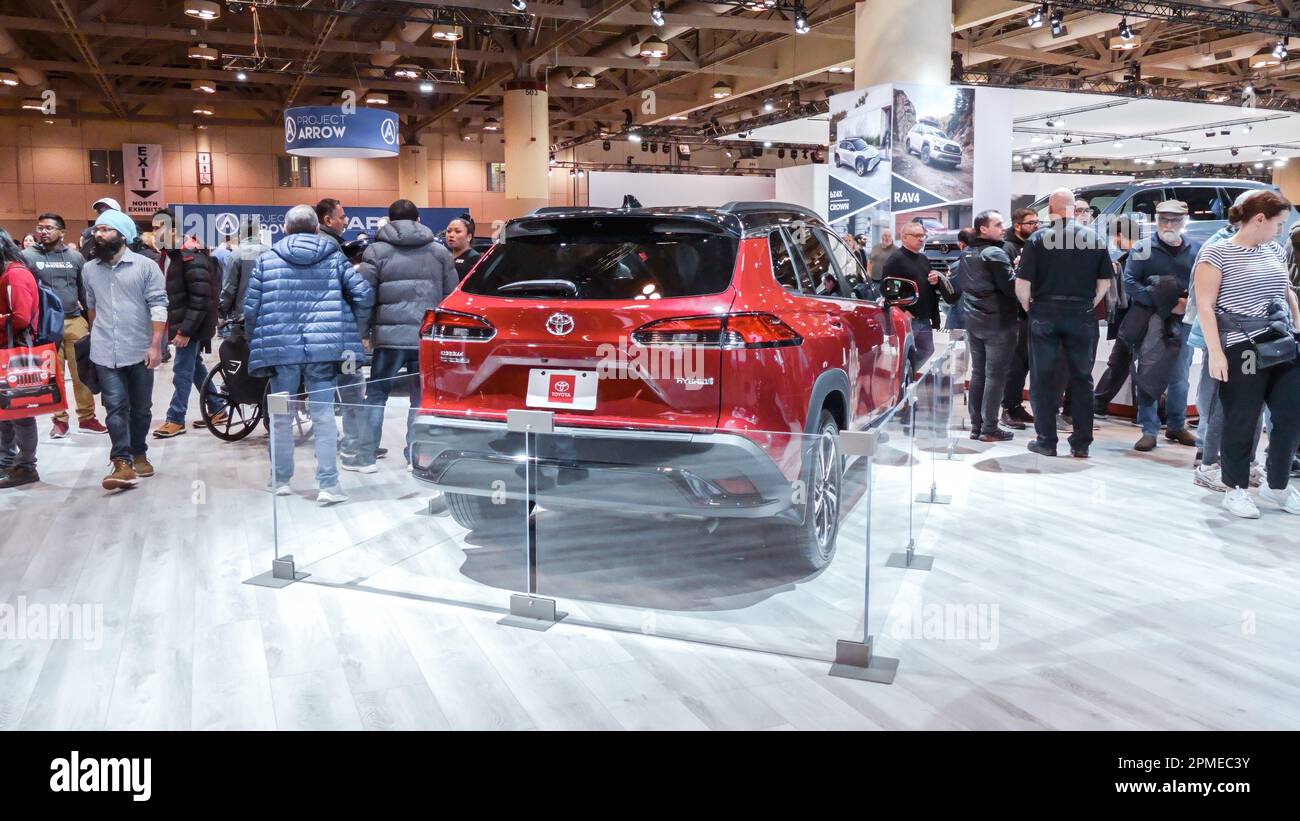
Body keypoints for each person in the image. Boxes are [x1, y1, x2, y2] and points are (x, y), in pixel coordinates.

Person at [244, 204, 373, 505]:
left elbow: (250, 309)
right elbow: (364, 296)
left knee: (280, 416)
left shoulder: (267, 259)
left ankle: (280, 480)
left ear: (285, 229)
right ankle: (328, 484)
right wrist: (349, 325)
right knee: (324, 415)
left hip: (280, 349)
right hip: (324, 349)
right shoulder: (335, 258)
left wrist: (259, 342)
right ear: (317, 228)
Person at [1194, 191, 1300, 518]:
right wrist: (1216, 352)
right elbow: (1206, 307)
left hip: (1281, 341)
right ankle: (1236, 487)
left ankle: (1278, 483)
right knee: (1243, 415)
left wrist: (1297, 324)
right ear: (1259, 219)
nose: (1282, 230)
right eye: (1278, 224)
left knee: (1290, 414)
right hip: (1244, 347)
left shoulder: (1273, 249)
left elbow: (1285, 291)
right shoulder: (1217, 253)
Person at [348, 199, 456, 472]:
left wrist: (362, 331)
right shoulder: (439, 251)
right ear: (418, 219)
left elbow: (365, 296)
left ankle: (366, 457)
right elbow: (450, 296)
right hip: (426, 336)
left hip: (389, 337)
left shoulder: (376, 251)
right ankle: (416, 457)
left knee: (376, 395)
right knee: (421, 398)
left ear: (389, 220)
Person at [1015, 188, 1112, 458]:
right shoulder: (1093, 238)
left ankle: (1046, 441)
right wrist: (1089, 304)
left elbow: (1023, 284)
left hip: (1044, 312)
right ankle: (1081, 444)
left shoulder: (1036, 239)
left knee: (1043, 378)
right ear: (1074, 208)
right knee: (1082, 379)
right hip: (1080, 312)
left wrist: (1030, 308)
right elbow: (1104, 282)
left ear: (1051, 210)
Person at [81, 208, 169, 490]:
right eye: (96, 229)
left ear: (122, 235)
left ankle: (139, 451)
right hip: (105, 351)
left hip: (140, 348)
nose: (98, 234)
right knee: (115, 406)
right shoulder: (89, 269)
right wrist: (96, 336)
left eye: (105, 229)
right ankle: (121, 461)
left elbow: (159, 305)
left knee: (141, 408)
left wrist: (156, 345)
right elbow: (92, 309)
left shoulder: (146, 267)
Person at [1189, 190, 1271, 493]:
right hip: (1221, 337)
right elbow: (1203, 301)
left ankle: (1245, 462)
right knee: (1216, 403)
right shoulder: (1217, 247)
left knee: (1253, 404)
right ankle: (1209, 462)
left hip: (1258, 340)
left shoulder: (1268, 248)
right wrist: (1212, 346)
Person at [1123, 200, 1200, 452]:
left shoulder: (1195, 250)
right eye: (1164, 219)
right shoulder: (1143, 249)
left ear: (1184, 221)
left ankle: (1177, 425)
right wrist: (1164, 303)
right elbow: (1130, 283)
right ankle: (1149, 429)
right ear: (1157, 220)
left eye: (1175, 220)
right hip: (1150, 319)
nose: (1169, 224)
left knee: (1180, 377)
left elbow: (1202, 285)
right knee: (1148, 374)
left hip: (1184, 320)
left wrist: (1186, 304)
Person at [22, 212, 106, 437]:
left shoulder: (75, 257)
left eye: (49, 228)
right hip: (46, 325)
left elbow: (84, 292)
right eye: (40, 228)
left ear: (62, 232)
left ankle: (87, 417)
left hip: (75, 321)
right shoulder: (27, 256)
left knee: (82, 373)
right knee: (53, 375)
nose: (43, 232)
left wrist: (92, 323)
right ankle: (59, 419)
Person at [150, 210, 224, 437]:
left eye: (160, 227)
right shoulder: (172, 255)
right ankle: (217, 407)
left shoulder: (190, 255)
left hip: (190, 326)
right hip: (184, 322)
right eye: (154, 228)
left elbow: (201, 297)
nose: (155, 233)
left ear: (173, 230)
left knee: (182, 370)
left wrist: (184, 330)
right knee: (195, 367)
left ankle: (176, 418)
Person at [956, 211, 1018, 442]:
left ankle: (977, 426)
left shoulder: (967, 253)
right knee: (995, 376)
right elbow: (1011, 289)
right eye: (998, 224)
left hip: (974, 322)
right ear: (983, 228)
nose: (1003, 227)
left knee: (979, 374)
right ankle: (990, 428)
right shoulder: (995, 253)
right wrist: (1018, 271)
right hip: (998, 323)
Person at [0, 229, 42, 488]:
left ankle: (26, 466)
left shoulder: (14, 275)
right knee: (5, 412)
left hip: (15, 354)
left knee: (19, 413)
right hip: (6, 353)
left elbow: (21, 319)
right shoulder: (8, 274)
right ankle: (8, 462)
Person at [882, 221, 953, 372]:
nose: (921, 239)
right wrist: (902, 311)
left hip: (924, 316)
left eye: (923, 235)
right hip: (908, 317)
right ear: (904, 237)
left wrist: (934, 280)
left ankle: (906, 376)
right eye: (917, 235)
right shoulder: (896, 259)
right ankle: (901, 380)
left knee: (927, 350)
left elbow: (926, 282)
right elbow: (887, 288)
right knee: (904, 353)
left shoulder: (923, 259)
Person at [1092, 215, 1140, 416]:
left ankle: (1098, 404)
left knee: (1119, 363)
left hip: (1133, 322)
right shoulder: (1136, 256)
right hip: (1135, 321)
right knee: (1126, 364)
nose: (1114, 242)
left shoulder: (1133, 258)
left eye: (1115, 237)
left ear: (1120, 235)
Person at [1000, 207, 1040, 430]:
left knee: (1025, 363)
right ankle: (1007, 408)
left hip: (1032, 313)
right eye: (1031, 223)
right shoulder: (1007, 248)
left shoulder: (1034, 246)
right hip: (1015, 315)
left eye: (1037, 222)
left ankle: (1016, 405)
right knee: (1014, 365)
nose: (1036, 226)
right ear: (1017, 226)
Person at [445, 216, 481, 280]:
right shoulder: (445, 256)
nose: (451, 235)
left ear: (469, 237)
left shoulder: (474, 258)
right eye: (448, 231)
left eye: (457, 231)